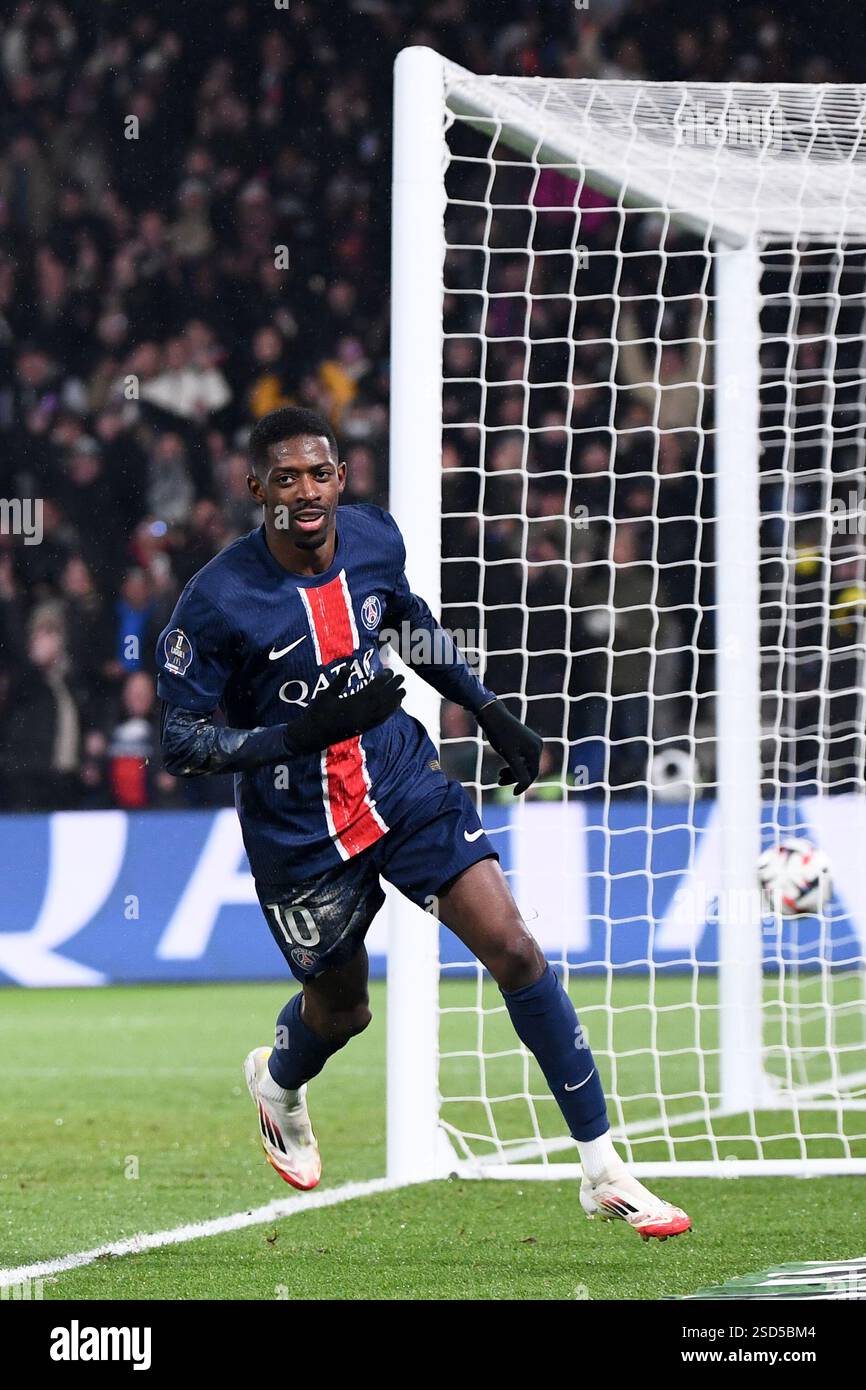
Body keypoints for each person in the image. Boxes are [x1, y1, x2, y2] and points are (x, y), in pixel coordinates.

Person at [156, 405, 690, 1242]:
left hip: (402, 783)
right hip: (298, 827)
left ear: (341, 478)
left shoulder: (374, 539)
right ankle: (279, 1080)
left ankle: (602, 1170)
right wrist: (300, 734)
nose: (306, 492)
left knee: (515, 949)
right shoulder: (216, 599)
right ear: (256, 489)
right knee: (341, 1012)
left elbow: (408, 623)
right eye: (286, 478)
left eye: (320, 473)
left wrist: (489, 710)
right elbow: (182, 742)